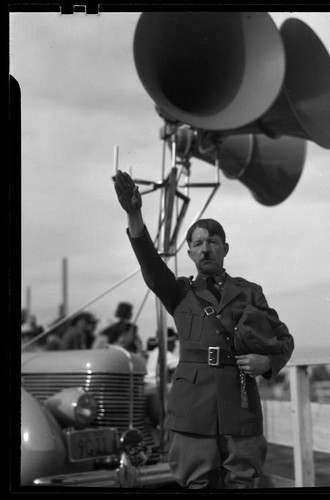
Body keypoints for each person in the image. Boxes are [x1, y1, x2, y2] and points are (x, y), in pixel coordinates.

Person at [113, 169, 294, 489]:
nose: (206, 249)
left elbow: (284, 340)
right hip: (192, 409)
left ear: (225, 247)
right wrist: (135, 214)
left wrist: (267, 363)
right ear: (190, 253)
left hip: (240, 405)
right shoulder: (179, 291)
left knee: (243, 481)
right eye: (198, 243)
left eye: (213, 241)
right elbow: (151, 266)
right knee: (196, 482)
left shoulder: (250, 291)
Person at [144, 329, 179, 428]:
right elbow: (182, 367)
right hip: (157, 388)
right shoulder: (167, 355)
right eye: (173, 343)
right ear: (170, 343)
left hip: (147, 387)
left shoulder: (153, 352)